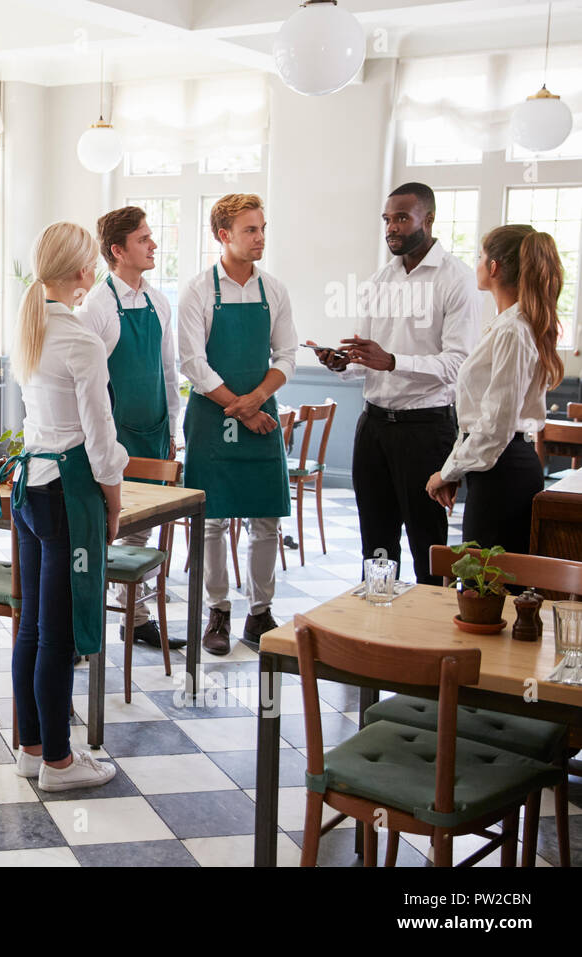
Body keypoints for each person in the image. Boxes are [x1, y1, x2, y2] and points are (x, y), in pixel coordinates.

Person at [3, 221, 125, 791]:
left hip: (29, 485)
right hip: (64, 494)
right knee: (56, 634)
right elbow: (100, 440)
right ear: (85, 273)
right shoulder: (79, 339)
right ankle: (59, 762)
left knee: (30, 625)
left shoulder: (28, 326)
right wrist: (115, 499)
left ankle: (31, 748)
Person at [312, 182, 479, 584]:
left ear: (429, 218)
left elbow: (459, 363)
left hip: (426, 428)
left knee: (428, 543)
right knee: (376, 540)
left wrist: (392, 361)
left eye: (402, 218)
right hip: (373, 427)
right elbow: (366, 361)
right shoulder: (379, 281)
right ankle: (379, 628)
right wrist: (341, 363)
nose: (392, 228)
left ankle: (430, 639)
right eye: (387, 219)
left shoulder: (456, 279)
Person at [178, 193, 297, 655]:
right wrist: (244, 409)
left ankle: (260, 612)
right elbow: (193, 363)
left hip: (261, 413)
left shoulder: (276, 290)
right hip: (214, 419)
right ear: (223, 235)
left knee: (265, 519)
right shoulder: (197, 291)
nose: (260, 237)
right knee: (212, 521)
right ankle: (218, 611)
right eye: (251, 229)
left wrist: (258, 399)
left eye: (263, 227)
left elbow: (286, 357)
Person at [77, 205, 183, 651]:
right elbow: (86, 383)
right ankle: (88, 619)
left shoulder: (159, 301)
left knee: (146, 528)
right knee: (108, 527)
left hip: (155, 429)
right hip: (115, 435)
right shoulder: (96, 306)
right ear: (118, 251)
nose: (153, 245)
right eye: (144, 239)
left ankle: (135, 617)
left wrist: (174, 428)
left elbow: (168, 370)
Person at [426, 225, 564, 554]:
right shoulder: (509, 325)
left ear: (494, 267)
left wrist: (447, 472)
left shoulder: (513, 331)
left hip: (504, 469)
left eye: (480, 256)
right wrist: (459, 468)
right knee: (486, 586)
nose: (476, 263)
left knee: (487, 587)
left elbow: (495, 426)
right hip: (498, 466)